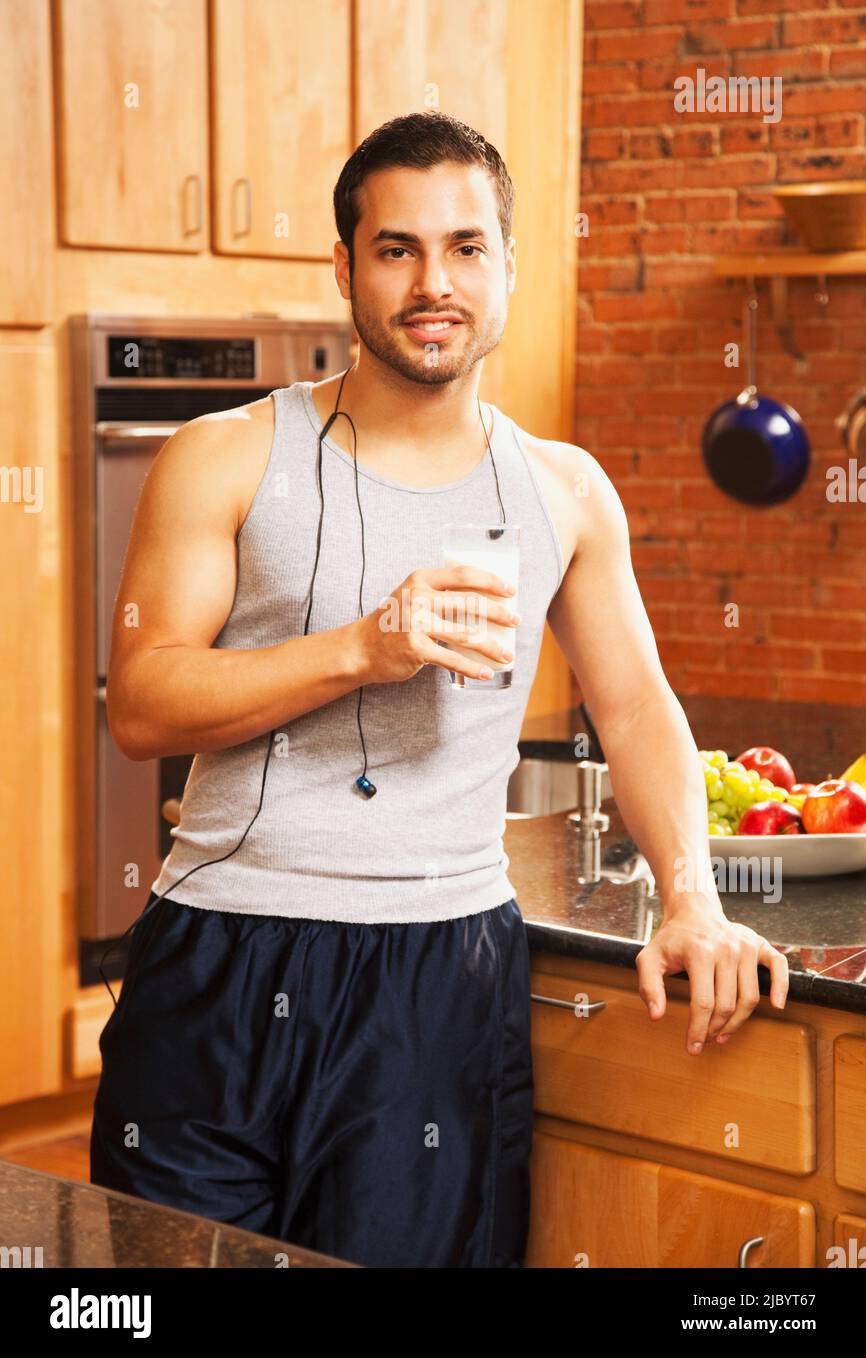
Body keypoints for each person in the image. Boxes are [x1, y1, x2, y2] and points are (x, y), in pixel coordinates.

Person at [90, 111, 788, 1269]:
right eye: (396, 247)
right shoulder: (223, 454)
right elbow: (142, 705)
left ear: (508, 266)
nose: (433, 282)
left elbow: (634, 710)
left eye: (466, 247)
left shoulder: (564, 491)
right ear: (345, 267)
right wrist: (360, 649)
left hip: (432, 979)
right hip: (215, 965)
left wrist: (691, 899)